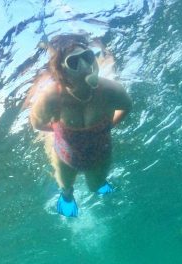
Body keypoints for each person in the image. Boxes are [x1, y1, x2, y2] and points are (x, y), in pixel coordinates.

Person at [28, 33, 133, 217]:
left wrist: (109, 125)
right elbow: (36, 123)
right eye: (74, 62)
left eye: (87, 57)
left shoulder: (110, 90)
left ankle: (100, 188)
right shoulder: (51, 98)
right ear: (61, 70)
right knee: (66, 187)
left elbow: (127, 107)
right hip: (64, 156)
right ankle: (67, 197)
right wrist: (57, 131)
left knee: (96, 186)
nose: (85, 66)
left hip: (101, 154)